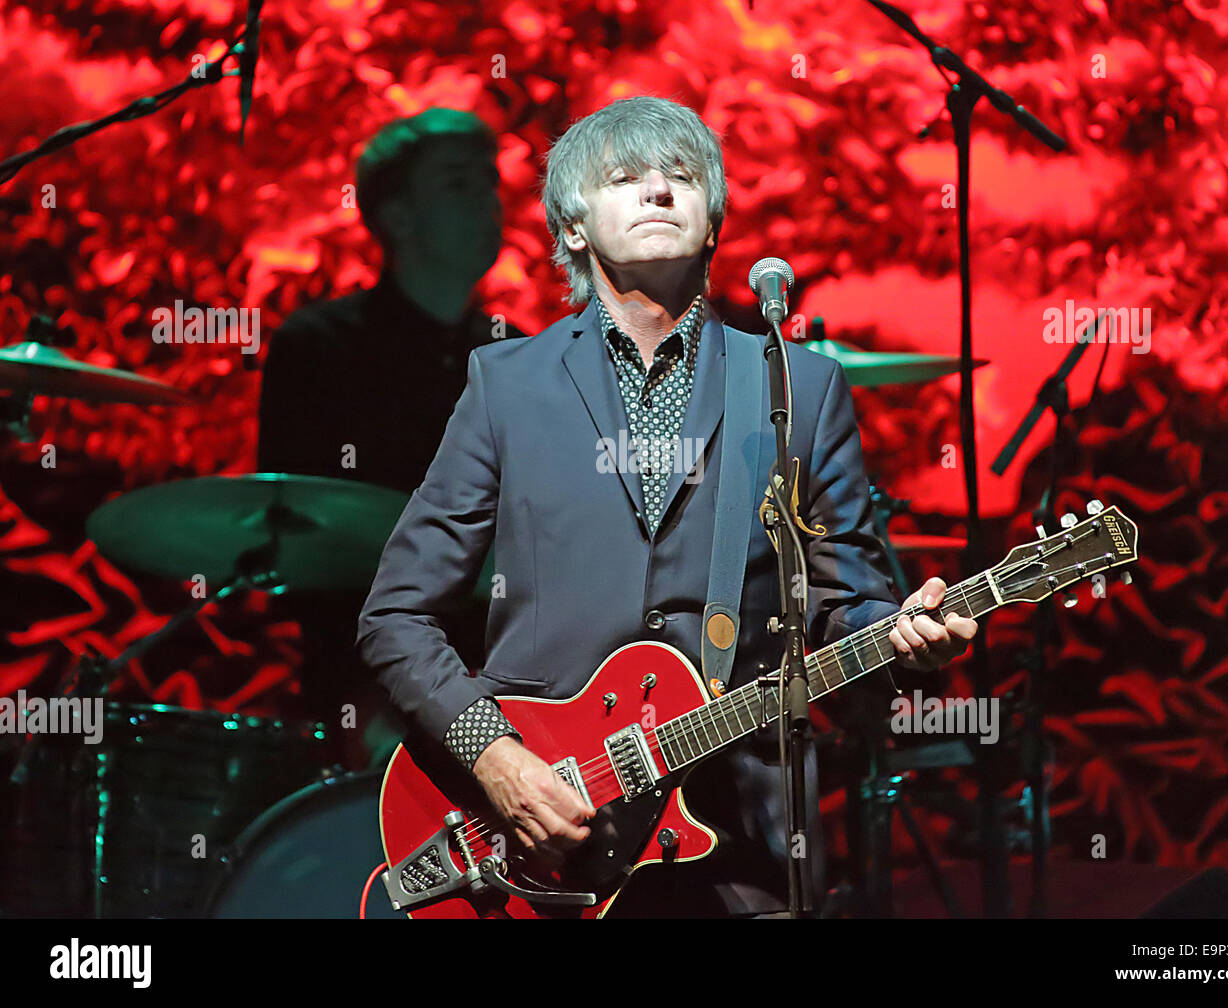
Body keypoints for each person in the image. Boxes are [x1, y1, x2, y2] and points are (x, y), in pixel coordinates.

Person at [356, 96, 978, 914]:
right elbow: (396, 616)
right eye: (625, 178)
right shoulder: (507, 385)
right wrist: (498, 759)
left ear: (713, 224)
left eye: (681, 177)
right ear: (573, 230)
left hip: (741, 842)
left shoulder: (799, 386)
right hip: (540, 844)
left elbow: (842, 606)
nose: (658, 191)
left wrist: (901, 640)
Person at [258, 107, 524, 770]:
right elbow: (307, 548)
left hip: (512, 688)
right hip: (366, 688)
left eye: (491, 183)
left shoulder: (517, 357)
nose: (490, 201)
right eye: (460, 184)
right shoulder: (319, 349)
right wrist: (367, 692)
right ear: (397, 216)